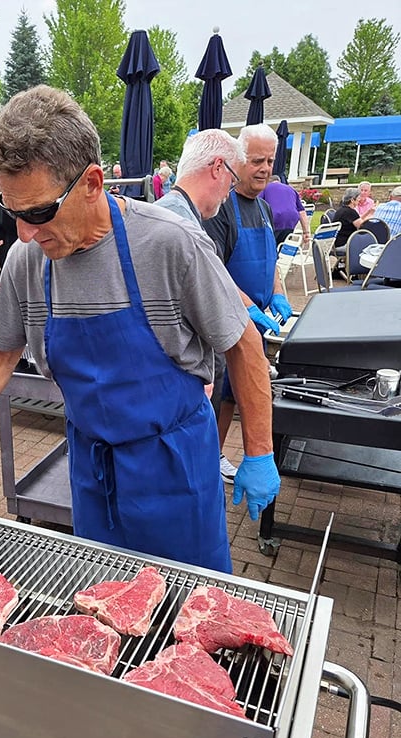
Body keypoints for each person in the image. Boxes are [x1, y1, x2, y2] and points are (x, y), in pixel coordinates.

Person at [0, 85, 279, 574]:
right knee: (109, 601)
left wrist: (259, 451)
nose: (27, 233)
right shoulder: (27, 260)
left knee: (191, 617)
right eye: (15, 215)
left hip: (174, 468)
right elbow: (0, 350)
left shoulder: (169, 243)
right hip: (93, 470)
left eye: (38, 213)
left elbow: (244, 345)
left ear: (93, 182)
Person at [204, 123, 293, 484]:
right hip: (226, 319)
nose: (265, 168)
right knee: (218, 391)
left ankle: (218, 453)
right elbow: (214, 271)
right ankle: (209, 457)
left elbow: (271, 262)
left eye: (270, 161)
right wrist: (246, 306)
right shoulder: (223, 210)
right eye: (257, 160)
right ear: (238, 162)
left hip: (255, 321)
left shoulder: (266, 210)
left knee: (233, 396)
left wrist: (279, 293)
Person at [156, 129, 246, 479]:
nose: (229, 193)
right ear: (217, 167)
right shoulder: (183, 230)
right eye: (232, 181)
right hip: (175, 402)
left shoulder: (173, 216)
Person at [260, 176, 311, 247]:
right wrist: (306, 232)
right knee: (281, 245)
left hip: (275, 219)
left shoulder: (265, 188)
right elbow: (302, 211)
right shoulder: (291, 189)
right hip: (291, 221)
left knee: (268, 247)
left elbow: (257, 205)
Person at [332, 187, 375, 257]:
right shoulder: (350, 212)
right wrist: (371, 216)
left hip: (337, 243)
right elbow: (362, 227)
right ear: (352, 200)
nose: (359, 200)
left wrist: (368, 212)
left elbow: (357, 219)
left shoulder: (341, 210)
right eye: (358, 198)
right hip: (345, 244)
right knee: (370, 246)